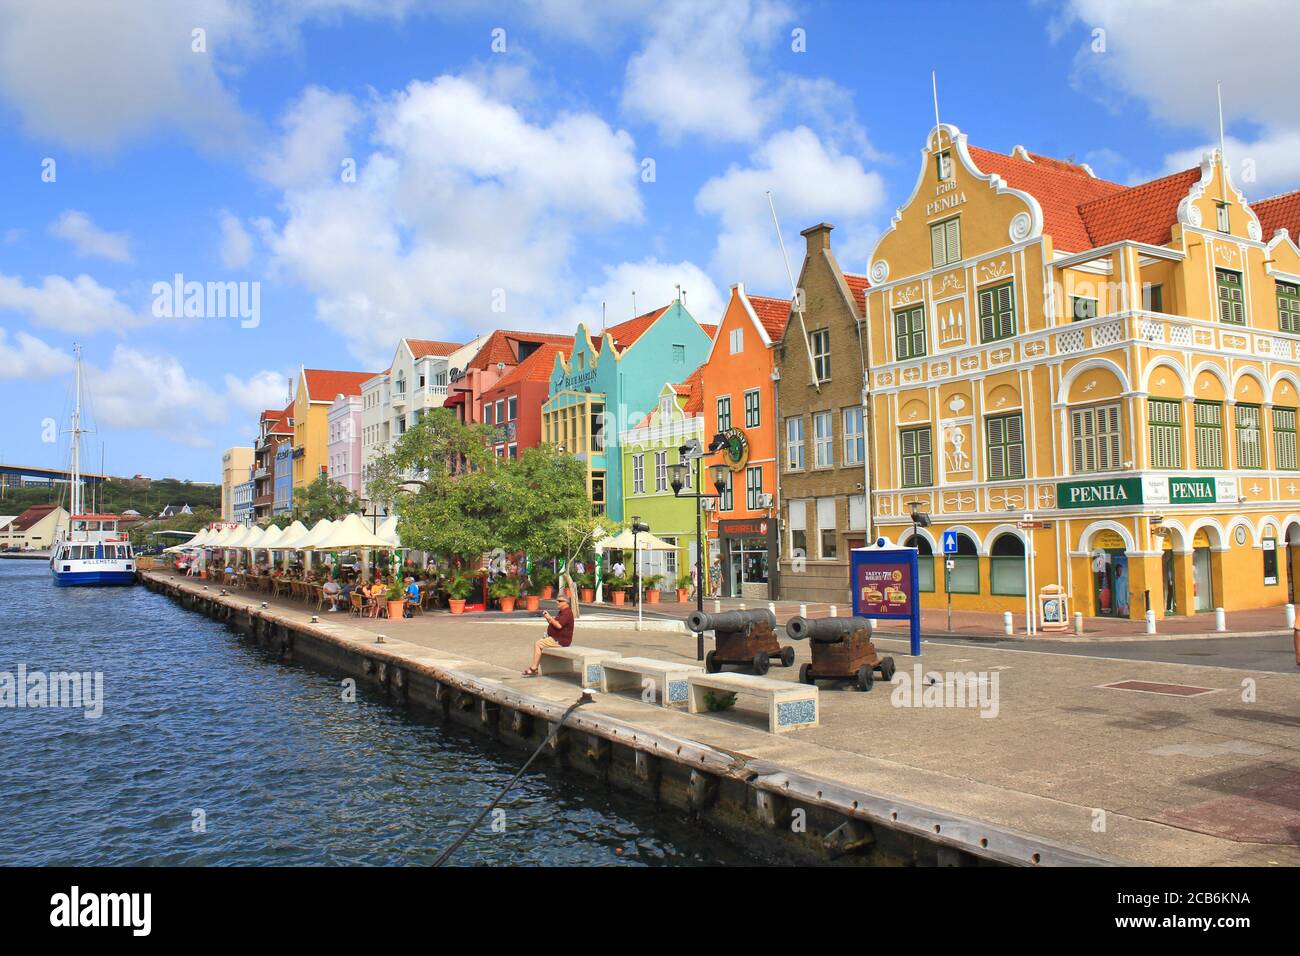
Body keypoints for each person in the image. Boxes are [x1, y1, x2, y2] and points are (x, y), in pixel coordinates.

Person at [523, 595, 573, 676]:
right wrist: (547, 618)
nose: (557, 602)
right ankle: (534, 668)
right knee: (540, 642)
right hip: (556, 638)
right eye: (557, 600)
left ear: (566, 603)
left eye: (560, 601)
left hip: (561, 641)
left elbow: (559, 625)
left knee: (538, 643)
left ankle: (534, 668)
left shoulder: (567, 613)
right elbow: (554, 623)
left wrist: (550, 618)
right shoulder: (562, 612)